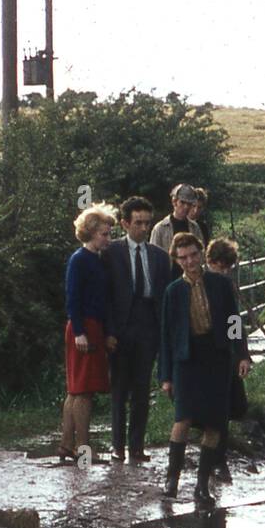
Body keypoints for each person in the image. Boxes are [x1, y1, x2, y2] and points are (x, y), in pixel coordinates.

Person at [158, 232, 252, 506]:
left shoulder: (220, 283)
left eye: (193, 255)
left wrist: (241, 355)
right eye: (183, 257)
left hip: (217, 357)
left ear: (202, 254)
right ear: (176, 260)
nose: (189, 262)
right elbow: (165, 335)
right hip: (187, 360)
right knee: (183, 418)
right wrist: (165, 375)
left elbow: (234, 321)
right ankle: (171, 479)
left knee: (215, 422)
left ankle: (202, 484)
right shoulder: (172, 291)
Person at [103, 196, 171, 464]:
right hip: (120, 328)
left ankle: (137, 446)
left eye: (147, 223)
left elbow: (163, 296)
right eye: (138, 223)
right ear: (125, 223)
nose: (144, 228)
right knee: (119, 388)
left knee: (142, 390)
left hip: (148, 327)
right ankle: (117, 445)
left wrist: (161, 333)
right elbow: (106, 296)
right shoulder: (111, 253)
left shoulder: (159, 257)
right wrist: (108, 331)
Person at [59, 204, 117, 463]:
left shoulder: (97, 260)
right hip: (83, 327)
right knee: (82, 391)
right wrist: (80, 331)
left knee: (77, 390)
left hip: (92, 326)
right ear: (91, 233)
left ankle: (67, 445)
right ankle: (82, 448)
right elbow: (73, 297)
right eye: (104, 234)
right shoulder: (79, 259)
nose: (108, 238)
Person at [205, 237, 256, 484]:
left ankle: (218, 459)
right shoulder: (200, 284)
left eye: (228, 267)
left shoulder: (225, 286)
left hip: (225, 353)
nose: (225, 272)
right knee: (214, 410)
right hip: (205, 354)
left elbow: (235, 321)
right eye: (221, 266)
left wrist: (241, 353)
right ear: (211, 263)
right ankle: (214, 461)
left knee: (228, 408)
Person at [150, 184, 204, 280]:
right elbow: (153, 258)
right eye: (182, 203)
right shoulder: (160, 228)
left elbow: (201, 253)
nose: (186, 207)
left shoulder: (194, 227)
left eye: (189, 204)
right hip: (168, 280)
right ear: (174, 202)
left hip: (192, 279)